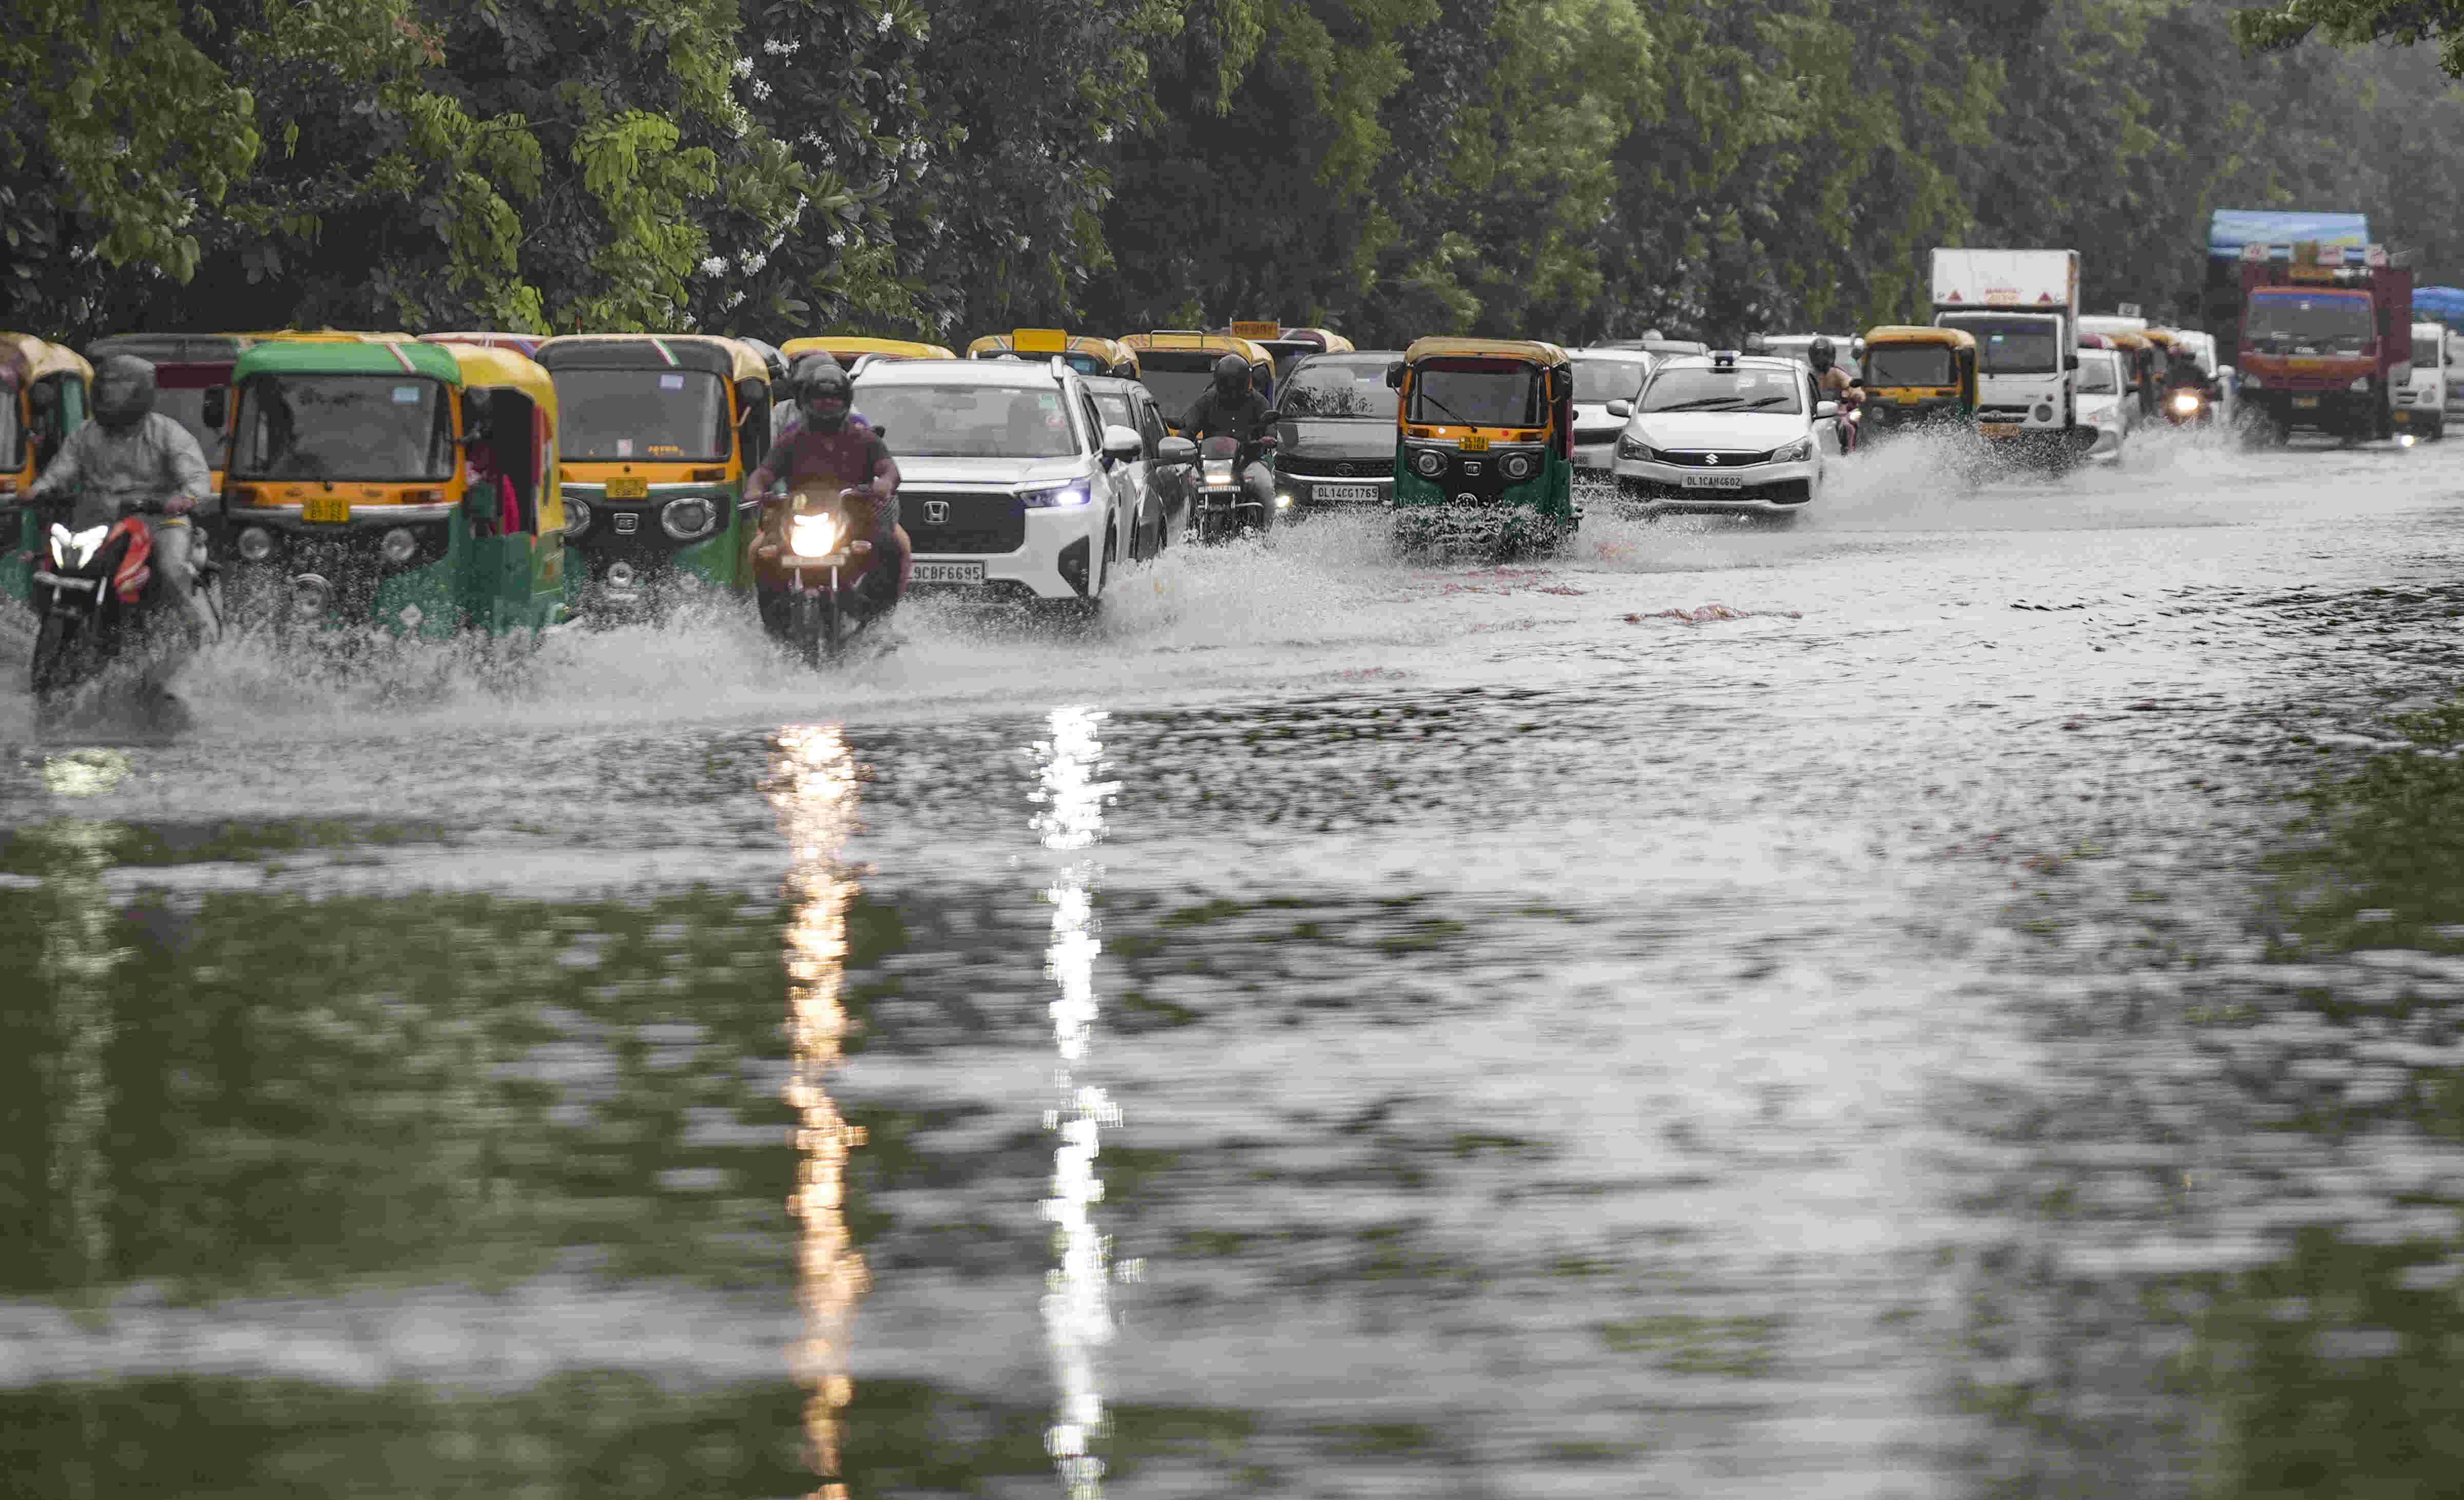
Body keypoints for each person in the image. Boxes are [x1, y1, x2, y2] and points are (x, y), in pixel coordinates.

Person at [27, 354, 216, 637]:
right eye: (105, 388)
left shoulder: (167, 433)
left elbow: (198, 479)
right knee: (55, 562)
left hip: (159, 522)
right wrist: (39, 490)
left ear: (142, 392)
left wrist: (186, 498)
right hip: (98, 521)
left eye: (119, 389)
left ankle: (203, 639)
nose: (109, 396)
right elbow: (61, 471)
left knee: (171, 568)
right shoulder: (85, 435)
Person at [744, 355, 905, 630]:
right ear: (807, 401)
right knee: (761, 551)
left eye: (834, 398)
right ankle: (774, 629)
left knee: (892, 549)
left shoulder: (864, 438)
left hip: (855, 520)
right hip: (795, 521)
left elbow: (890, 470)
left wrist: (884, 483)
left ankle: (876, 623)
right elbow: (765, 472)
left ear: (845, 401)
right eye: (820, 397)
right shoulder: (791, 440)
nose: (827, 403)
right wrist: (755, 489)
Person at [1179, 353, 1277, 526]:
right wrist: (1182, 442)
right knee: (1187, 488)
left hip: (1248, 462)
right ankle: (1187, 531)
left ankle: (1267, 535)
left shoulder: (1258, 401)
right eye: (1227, 385)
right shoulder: (1207, 400)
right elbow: (1189, 427)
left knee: (1266, 488)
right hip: (1209, 466)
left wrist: (1269, 437)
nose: (1232, 390)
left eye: (1237, 385)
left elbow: (1270, 425)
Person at [1807, 336, 1860, 452]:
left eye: (1824, 354)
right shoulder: (1808, 374)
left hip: (1838, 414)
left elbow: (1853, 389)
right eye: (1817, 355)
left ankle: (1850, 453)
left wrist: (1852, 396)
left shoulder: (1838, 373)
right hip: (1812, 415)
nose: (1821, 359)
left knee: (1848, 426)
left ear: (1831, 355)